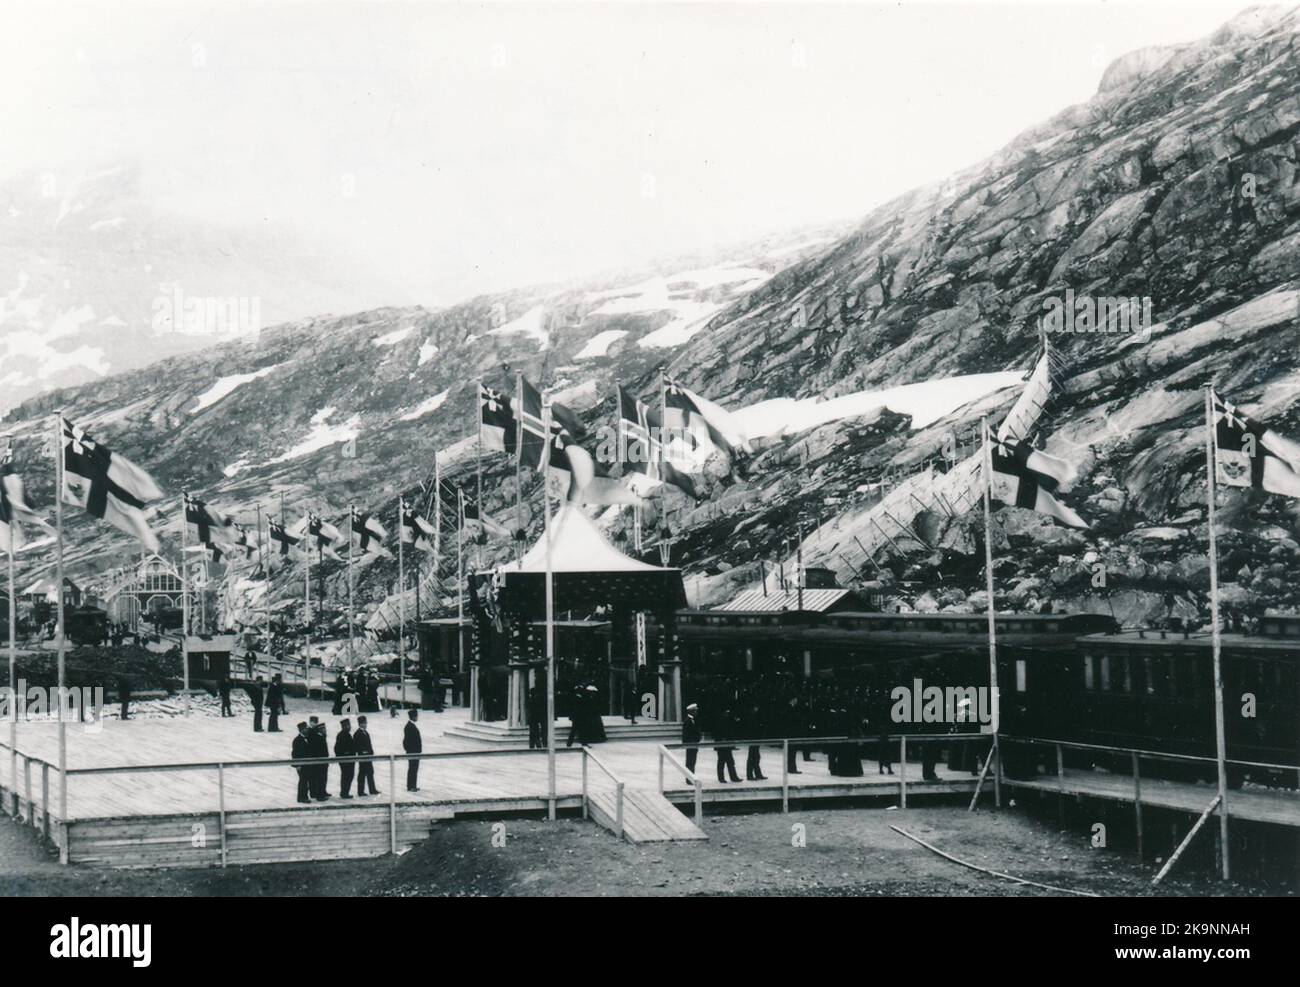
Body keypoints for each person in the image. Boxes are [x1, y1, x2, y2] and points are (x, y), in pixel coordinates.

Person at [714, 706, 742, 784]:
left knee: (730, 761)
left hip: (727, 745)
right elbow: (716, 733)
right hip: (721, 745)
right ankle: (721, 778)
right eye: (726, 713)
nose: (727, 714)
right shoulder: (719, 721)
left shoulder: (727, 720)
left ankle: (733, 777)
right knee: (721, 762)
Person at [354, 715, 379, 795]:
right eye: (364, 723)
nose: (366, 724)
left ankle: (372, 789)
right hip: (363, 757)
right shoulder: (357, 733)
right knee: (362, 773)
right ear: (360, 724)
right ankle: (360, 791)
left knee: (370, 772)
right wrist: (363, 752)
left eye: (366, 723)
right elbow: (357, 746)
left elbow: (369, 744)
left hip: (368, 756)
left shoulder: (365, 732)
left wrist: (371, 752)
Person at [307, 716, 331, 799]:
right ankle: (317, 793)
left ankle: (322, 791)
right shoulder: (315, 735)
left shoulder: (321, 736)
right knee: (316, 777)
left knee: (323, 777)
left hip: (323, 760)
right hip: (318, 759)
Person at [743, 700, 767, 781]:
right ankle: (751, 775)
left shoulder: (753, 715)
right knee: (753, 757)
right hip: (754, 738)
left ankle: (755, 774)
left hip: (755, 738)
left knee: (755, 756)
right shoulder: (752, 716)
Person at [334, 718, 356, 799]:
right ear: (343, 726)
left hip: (350, 760)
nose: (349, 727)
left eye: (349, 725)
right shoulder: (341, 735)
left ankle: (345, 792)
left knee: (349, 775)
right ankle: (344, 793)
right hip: (345, 760)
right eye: (347, 725)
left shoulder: (347, 734)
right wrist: (345, 753)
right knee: (347, 776)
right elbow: (337, 748)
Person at [291, 722, 312, 804]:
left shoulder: (307, 738)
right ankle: (303, 797)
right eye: (305, 728)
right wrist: (297, 765)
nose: (307, 730)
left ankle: (302, 797)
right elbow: (295, 754)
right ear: (301, 730)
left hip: (306, 764)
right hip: (301, 764)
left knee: (305, 780)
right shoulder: (297, 740)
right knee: (303, 781)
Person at [403, 709, 422, 791]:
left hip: (414, 751)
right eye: (416, 716)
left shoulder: (410, 725)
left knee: (413, 768)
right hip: (413, 751)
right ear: (414, 717)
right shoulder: (410, 727)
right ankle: (411, 786)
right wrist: (410, 750)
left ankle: (412, 785)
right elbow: (406, 741)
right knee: (412, 768)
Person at [682, 703, 701, 775]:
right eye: (695, 711)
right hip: (690, 744)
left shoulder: (693, 720)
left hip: (694, 744)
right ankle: (689, 778)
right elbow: (686, 734)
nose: (696, 712)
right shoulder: (687, 721)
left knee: (692, 761)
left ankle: (691, 776)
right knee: (690, 761)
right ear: (691, 711)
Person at [527, 685, 547, 750]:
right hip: (536, 717)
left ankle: (532, 745)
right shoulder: (538, 699)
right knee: (535, 731)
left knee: (533, 732)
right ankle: (540, 744)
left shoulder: (531, 700)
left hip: (533, 717)